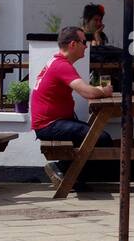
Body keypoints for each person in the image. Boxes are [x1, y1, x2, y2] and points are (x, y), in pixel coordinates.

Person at [31, 25, 114, 183]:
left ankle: (68, 173)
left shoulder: (57, 61)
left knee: (94, 136)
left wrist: (97, 89)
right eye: (84, 41)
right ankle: (70, 175)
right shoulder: (62, 65)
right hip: (50, 125)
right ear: (73, 44)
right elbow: (87, 92)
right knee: (101, 138)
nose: (86, 45)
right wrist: (104, 92)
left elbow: (85, 89)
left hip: (50, 122)